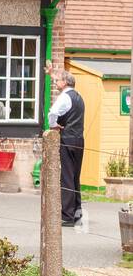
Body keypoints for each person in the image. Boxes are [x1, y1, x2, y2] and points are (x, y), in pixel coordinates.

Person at [47, 70, 86, 227]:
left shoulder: (64, 96)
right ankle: (77, 214)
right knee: (75, 177)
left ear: (65, 82)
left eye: (57, 81)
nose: (56, 84)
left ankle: (68, 215)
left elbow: (53, 112)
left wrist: (53, 125)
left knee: (67, 177)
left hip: (68, 138)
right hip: (79, 139)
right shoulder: (79, 97)